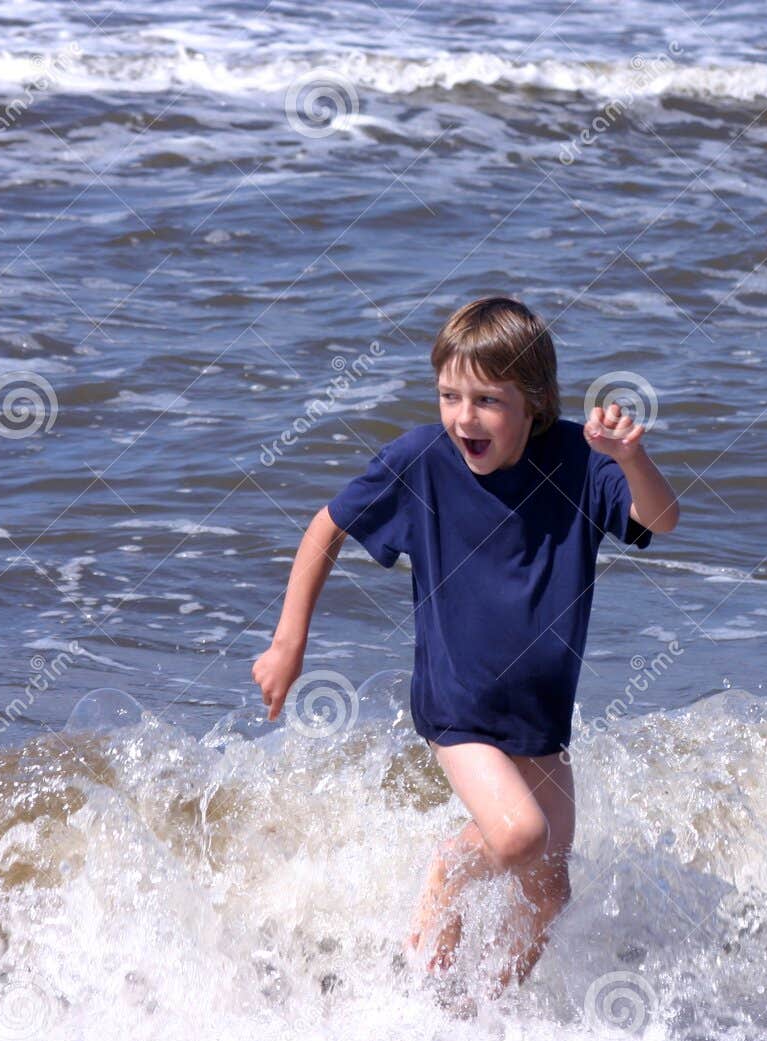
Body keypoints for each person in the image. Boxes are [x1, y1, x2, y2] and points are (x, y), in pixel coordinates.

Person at [251, 296, 678, 1000]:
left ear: (536, 401)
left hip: (541, 720)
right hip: (460, 708)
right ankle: (448, 872)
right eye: (450, 395)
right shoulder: (421, 462)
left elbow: (660, 517)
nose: (463, 417)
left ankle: (473, 1011)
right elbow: (325, 527)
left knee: (550, 897)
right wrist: (288, 643)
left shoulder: (577, 457)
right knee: (515, 835)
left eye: (487, 399)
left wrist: (630, 458)